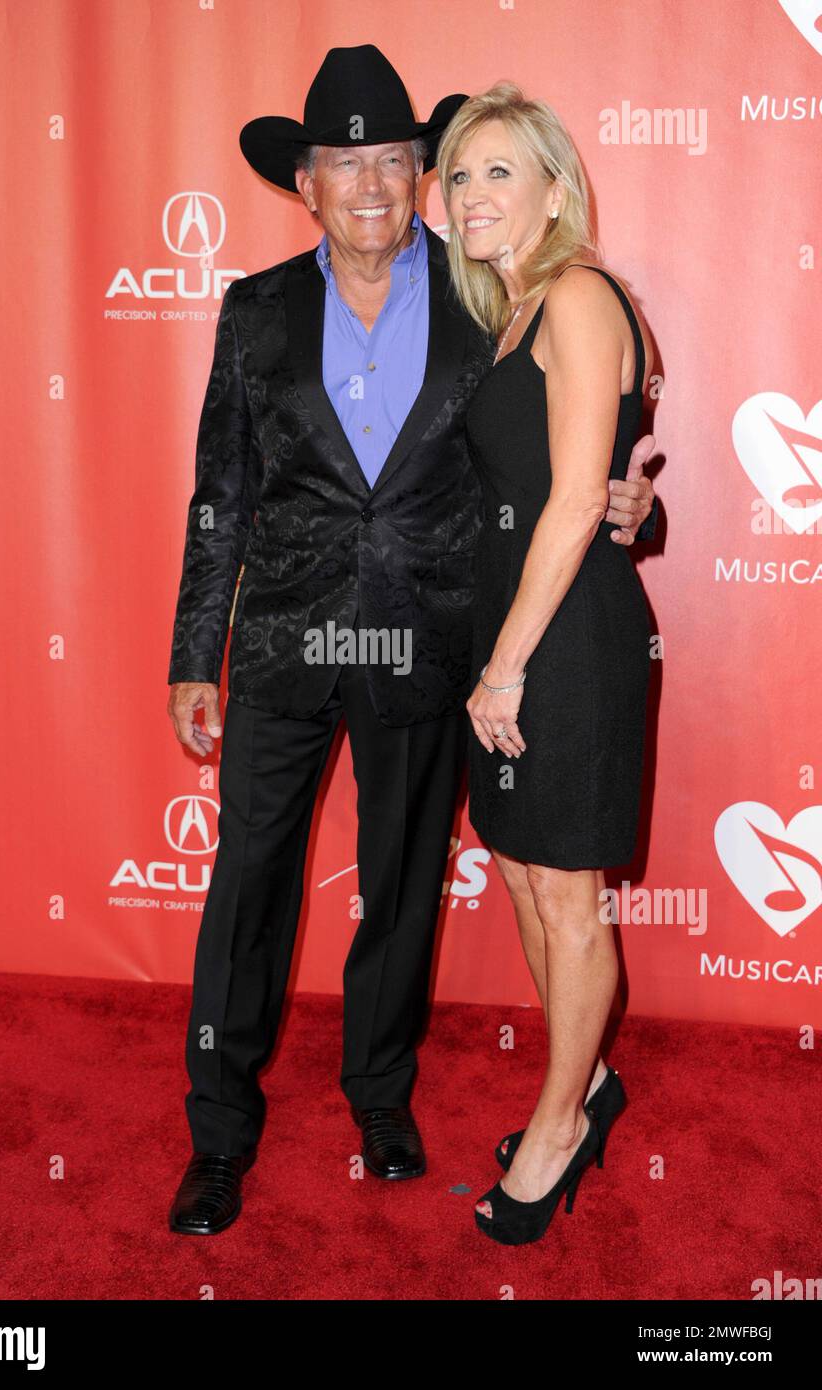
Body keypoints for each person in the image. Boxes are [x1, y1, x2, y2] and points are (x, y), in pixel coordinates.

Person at [165, 46, 657, 1236]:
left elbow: (558, 454)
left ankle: (382, 1101)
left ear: (418, 174)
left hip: (430, 643)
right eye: (346, 163)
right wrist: (194, 652)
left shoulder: (484, 290)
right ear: (308, 181)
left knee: (401, 888)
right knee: (248, 890)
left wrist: (632, 506)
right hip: (283, 641)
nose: (374, 183)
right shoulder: (255, 308)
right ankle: (218, 1132)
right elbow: (219, 489)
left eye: (395, 159)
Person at [437, 82, 657, 1245]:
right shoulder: (511, 315)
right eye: (459, 175)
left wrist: (505, 668)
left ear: (555, 189)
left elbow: (578, 498)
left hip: (561, 644)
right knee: (523, 875)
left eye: (498, 171)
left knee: (564, 892)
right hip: (517, 629)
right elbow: (588, 478)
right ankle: (585, 1085)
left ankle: (561, 1122)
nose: (472, 194)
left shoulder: (573, 293)